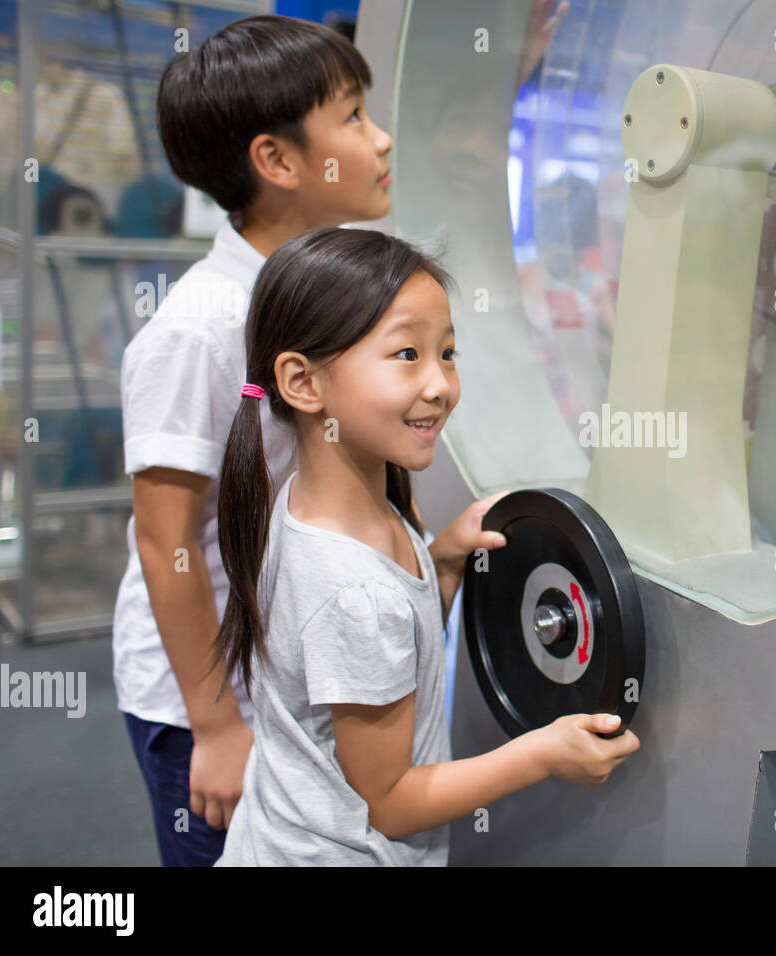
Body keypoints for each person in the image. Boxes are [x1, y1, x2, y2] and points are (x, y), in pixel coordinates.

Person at [211, 227, 639, 865]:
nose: (440, 384)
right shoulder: (354, 589)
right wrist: (543, 754)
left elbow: (390, 658)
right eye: (407, 354)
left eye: (448, 353)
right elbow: (390, 801)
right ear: (303, 383)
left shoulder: (320, 503)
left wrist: (439, 563)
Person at [114, 14, 400, 866]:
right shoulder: (198, 330)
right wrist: (215, 725)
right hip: (201, 698)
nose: (380, 137)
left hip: (281, 680)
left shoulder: (325, 292)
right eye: (352, 117)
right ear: (277, 162)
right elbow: (165, 540)